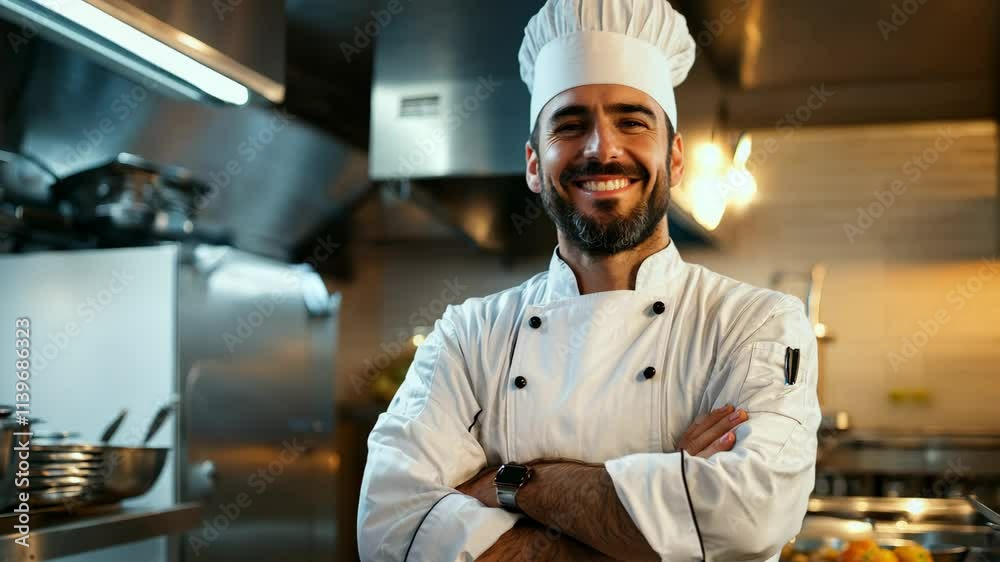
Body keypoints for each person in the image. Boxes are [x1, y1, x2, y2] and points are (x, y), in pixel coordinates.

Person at [357, 0, 821, 560]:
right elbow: (389, 531)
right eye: (571, 125)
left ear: (674, 158)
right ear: (534, 164)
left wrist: (510, 485)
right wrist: (666, 511)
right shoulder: (469, 333)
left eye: (631, 120)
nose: (602, 149)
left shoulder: (756, 323)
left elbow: (748, 518)